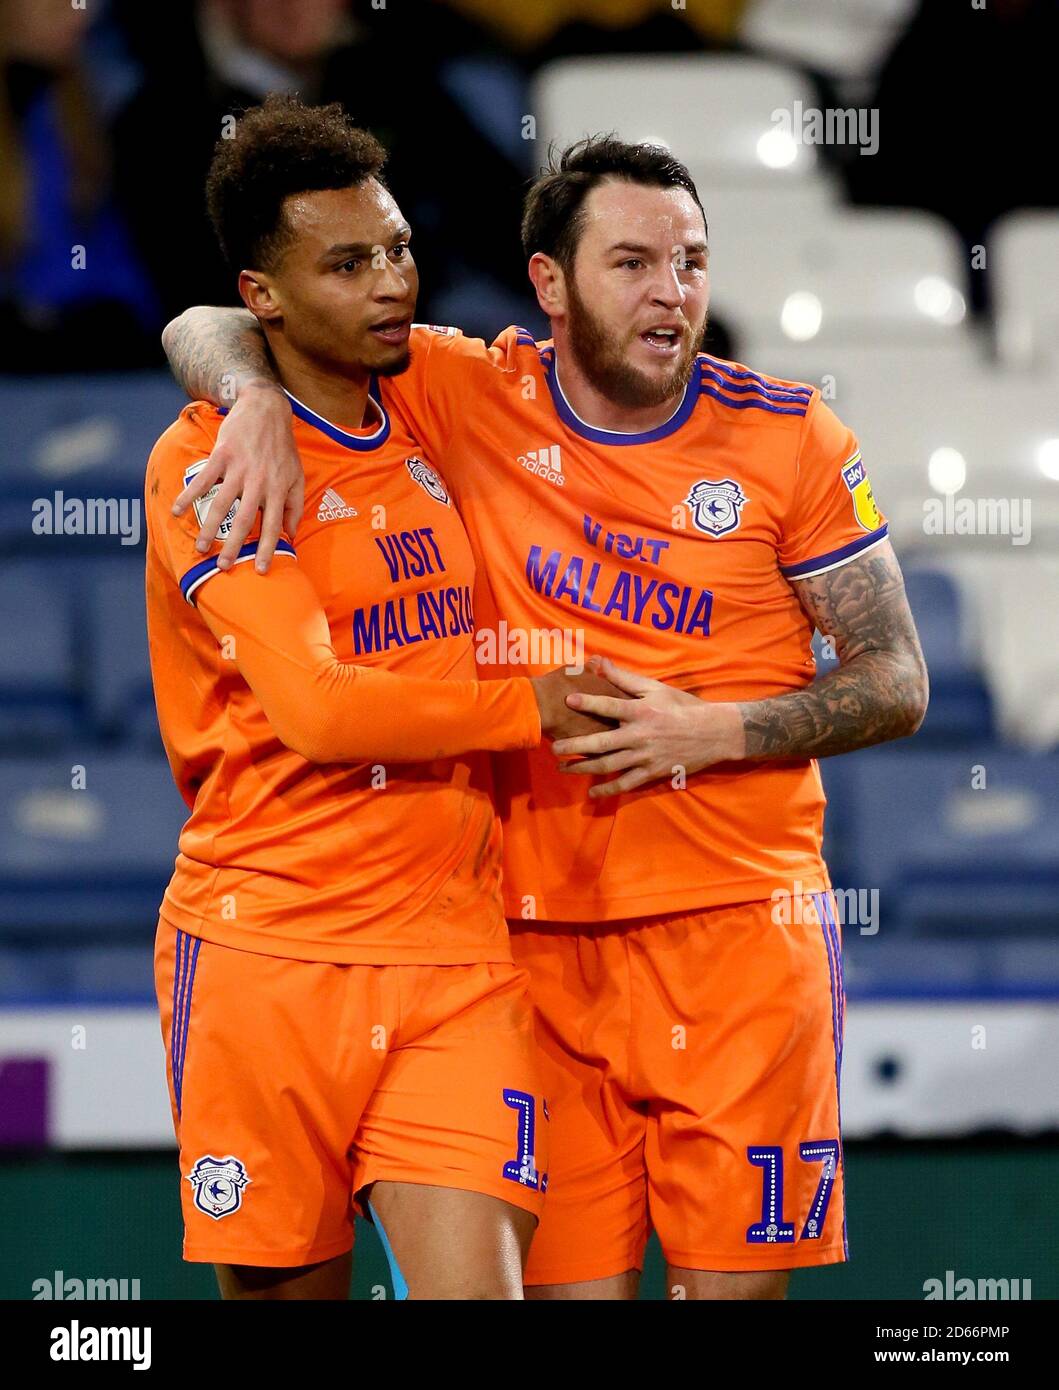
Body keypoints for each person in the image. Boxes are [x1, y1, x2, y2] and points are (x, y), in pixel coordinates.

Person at [163, 124, 929, 1300]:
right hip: (531, 938)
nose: (671, 292)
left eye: (691, 261)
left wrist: (715, 731)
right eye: (631, 262)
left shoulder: (792, 437)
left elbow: (897, 681)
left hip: (737, 933)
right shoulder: (463, 391)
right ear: (550, 284)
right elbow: (218, 323)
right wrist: (249, 397)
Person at [145, 96, 616, 1301]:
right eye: (347, 264)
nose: (391, 282)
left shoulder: (420, 394)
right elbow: (321, 709)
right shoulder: (207, 463)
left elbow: (585, 380)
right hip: (269, 955)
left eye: (397, 248)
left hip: (452, 960)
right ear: (268, 294)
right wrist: (535, 705)